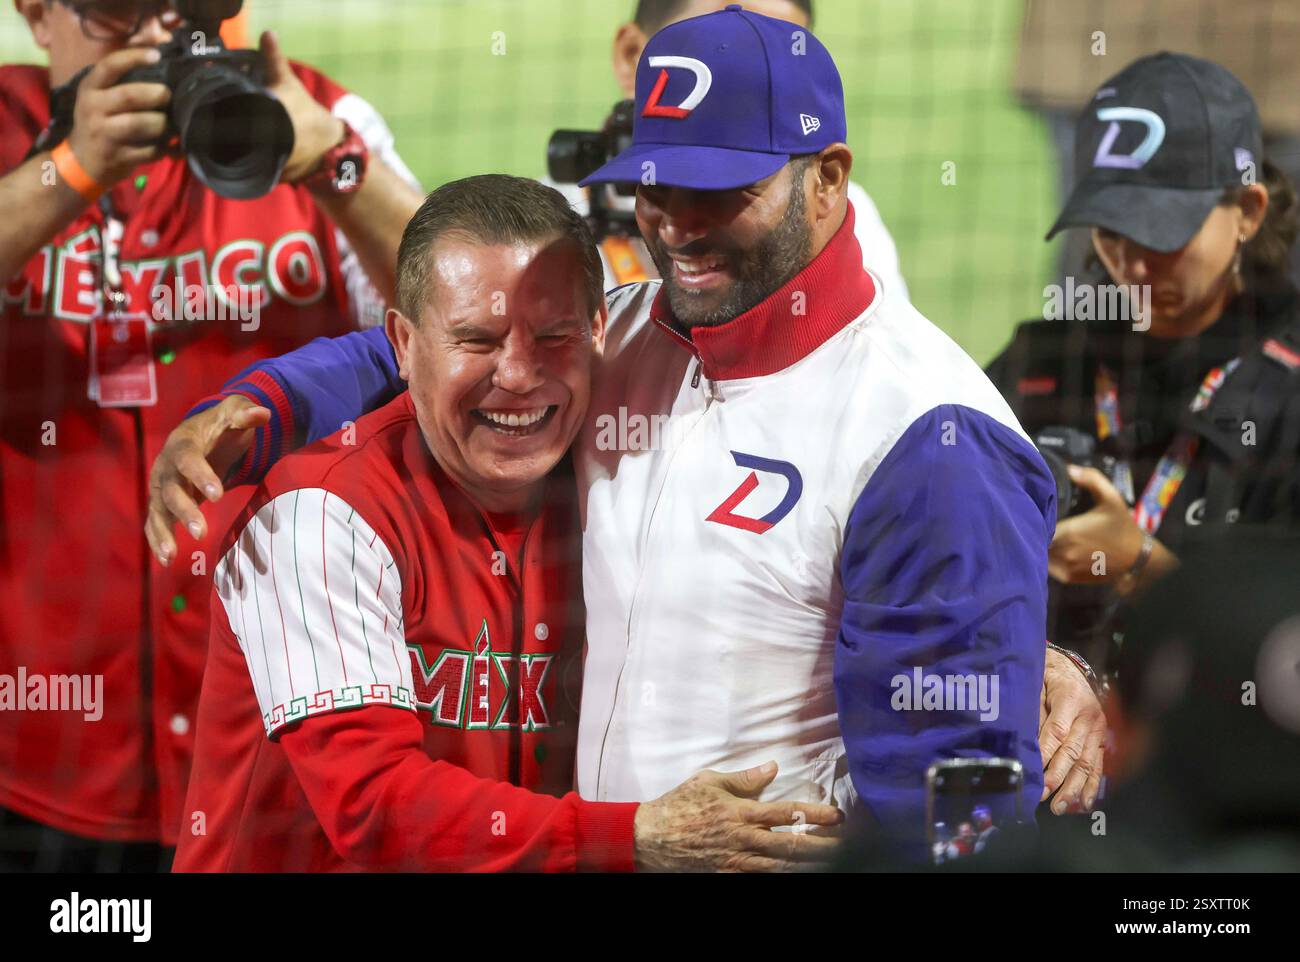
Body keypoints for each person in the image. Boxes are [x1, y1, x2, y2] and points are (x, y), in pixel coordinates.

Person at [148, 7, 1095, 859]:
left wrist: (1019, 655)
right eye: (657, 186)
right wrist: (270, 403)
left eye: (722, 191)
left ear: (828, 181)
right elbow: (449, 351)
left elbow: (955, 823)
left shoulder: (927, 436)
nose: (677, 226)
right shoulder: (637, 332)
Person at [174, 175, 842, 872]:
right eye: (475, 339)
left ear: (596, 332)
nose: (519, 375)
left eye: (553, 336)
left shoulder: (616, 472)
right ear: (403, 344)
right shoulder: (315, 518)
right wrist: (635, 837)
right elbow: (374, 807)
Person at [0, 0, 424, 870]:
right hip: (45, 748)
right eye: (121, 12)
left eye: (194, 9)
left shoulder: (307, 114)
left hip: (277, 734)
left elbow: (467, 316)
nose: (162, 35)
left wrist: (333, 163)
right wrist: (68, 168)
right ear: (38, 14)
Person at [987, 53, 1300, 720]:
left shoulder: (1289, 393)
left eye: (1160, 232)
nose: (1129, 265)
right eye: (1109, 230)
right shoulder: (1041, 359)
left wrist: (1137, 566)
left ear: (1247, 211)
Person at [551, 0, 908, 301]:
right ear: (631, 55)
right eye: (711, 43)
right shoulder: (538, 235)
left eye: (776, 59)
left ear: (827, 181)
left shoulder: (845, 219)